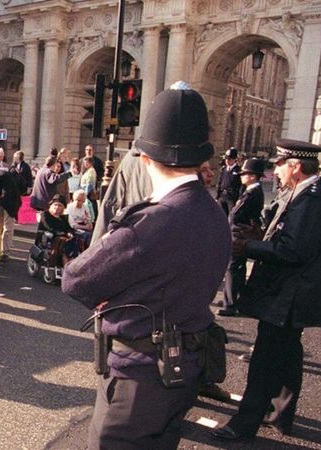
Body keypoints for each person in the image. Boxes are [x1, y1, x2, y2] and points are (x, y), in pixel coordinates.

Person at [62, 85, 231, 449]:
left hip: (140, 374)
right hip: (186, 366)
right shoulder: (213, 212)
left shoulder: (151, 221)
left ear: (144, 159)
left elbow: (76, 279)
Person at [211, 139, 321, 441]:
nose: (274, 170)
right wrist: (260, 237)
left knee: (265, 357)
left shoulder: (312, 198)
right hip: (294, 291)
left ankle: (244, 423)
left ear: (297, 167)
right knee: (288, 354)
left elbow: (293, 250)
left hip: (290, 293)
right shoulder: (305, 193)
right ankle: (279, 414)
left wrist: (248, 246)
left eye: (280, 164)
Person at [219, 158, 265, 317]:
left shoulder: (253, 192)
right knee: (236, 266)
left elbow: (236, 213)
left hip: (240, 233)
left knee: (233, 267)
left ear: (253, 176)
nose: (241, 176)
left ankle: (230, 303)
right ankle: (230, 297)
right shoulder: (249, 190)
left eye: (245, 174)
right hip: (239, 232)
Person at [39, 194, 77, 264]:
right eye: (55, 205)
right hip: (49, 237)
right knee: (63, 242)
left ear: (63, 208)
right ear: (51, 205)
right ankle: (64, 260)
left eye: (60, 205)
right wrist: (64, 233)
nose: (57, 207)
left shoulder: (63, 218)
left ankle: (72, 258)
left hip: (63, 238)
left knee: (76, 239)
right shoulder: (45, 214)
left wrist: (70, 232)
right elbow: (48, 227)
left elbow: (68, 228)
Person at [0, 166, 21, 261]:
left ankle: (5, 252)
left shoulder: (5, 177)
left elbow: (7, 196)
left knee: (7, 228)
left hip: (10, 204)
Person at [216, 147, 242, 215]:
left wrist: (239, 198)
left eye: (229, 159)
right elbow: (219, 182)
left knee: (231, 216)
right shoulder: (224, 169)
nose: (227, 160)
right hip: (223, 196)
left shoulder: (238, 171)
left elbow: (241, 186)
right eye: (226, 158)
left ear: (235, 159)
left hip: (232, 198)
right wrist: (217, 196)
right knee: (221, 215)